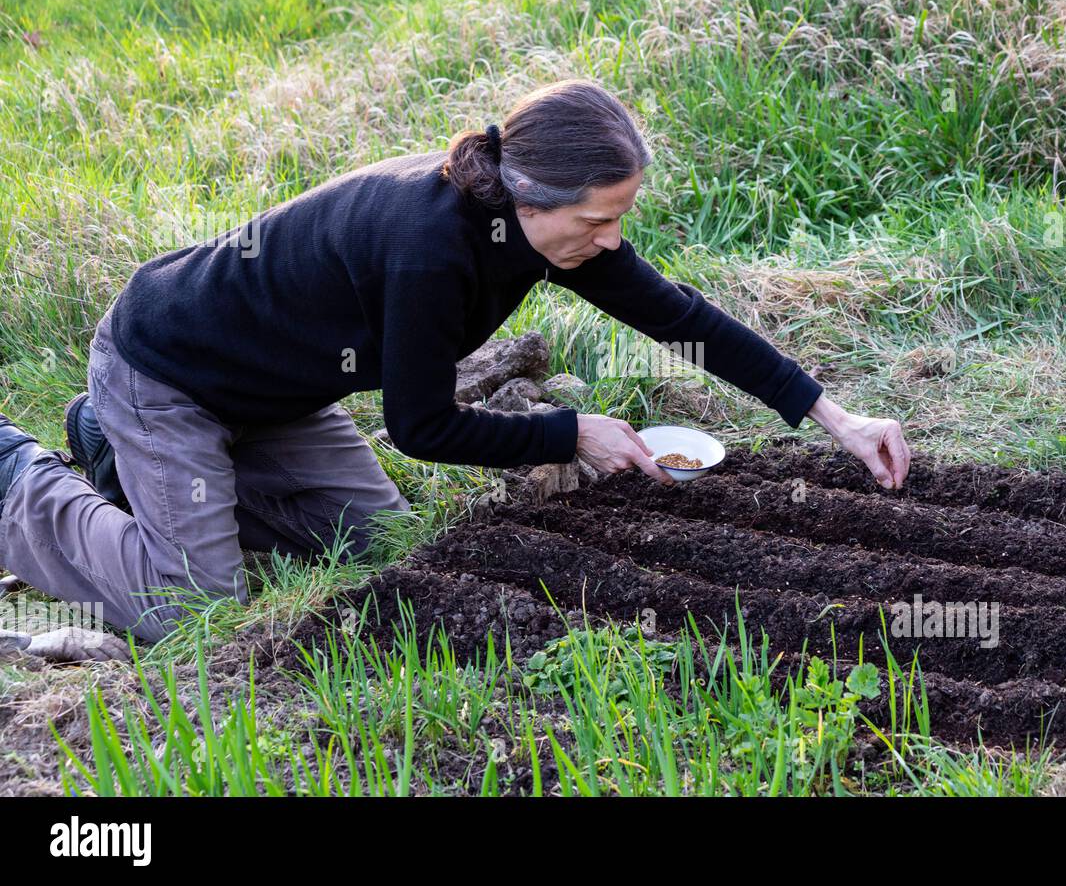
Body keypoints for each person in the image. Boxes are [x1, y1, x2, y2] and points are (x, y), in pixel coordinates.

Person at [0, 78, 911, 653]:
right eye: (599, 220)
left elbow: (681, 319)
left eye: (621, 216)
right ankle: (24, 477)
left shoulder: (546, 231)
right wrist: (568, 431)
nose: (614, 238)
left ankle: (123, 459)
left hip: (281, 391)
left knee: (386, 549)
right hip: (167, 373)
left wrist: (838, 417)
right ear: (529, 194)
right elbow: (420, 426)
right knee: (191, 610)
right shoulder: (431, 248)